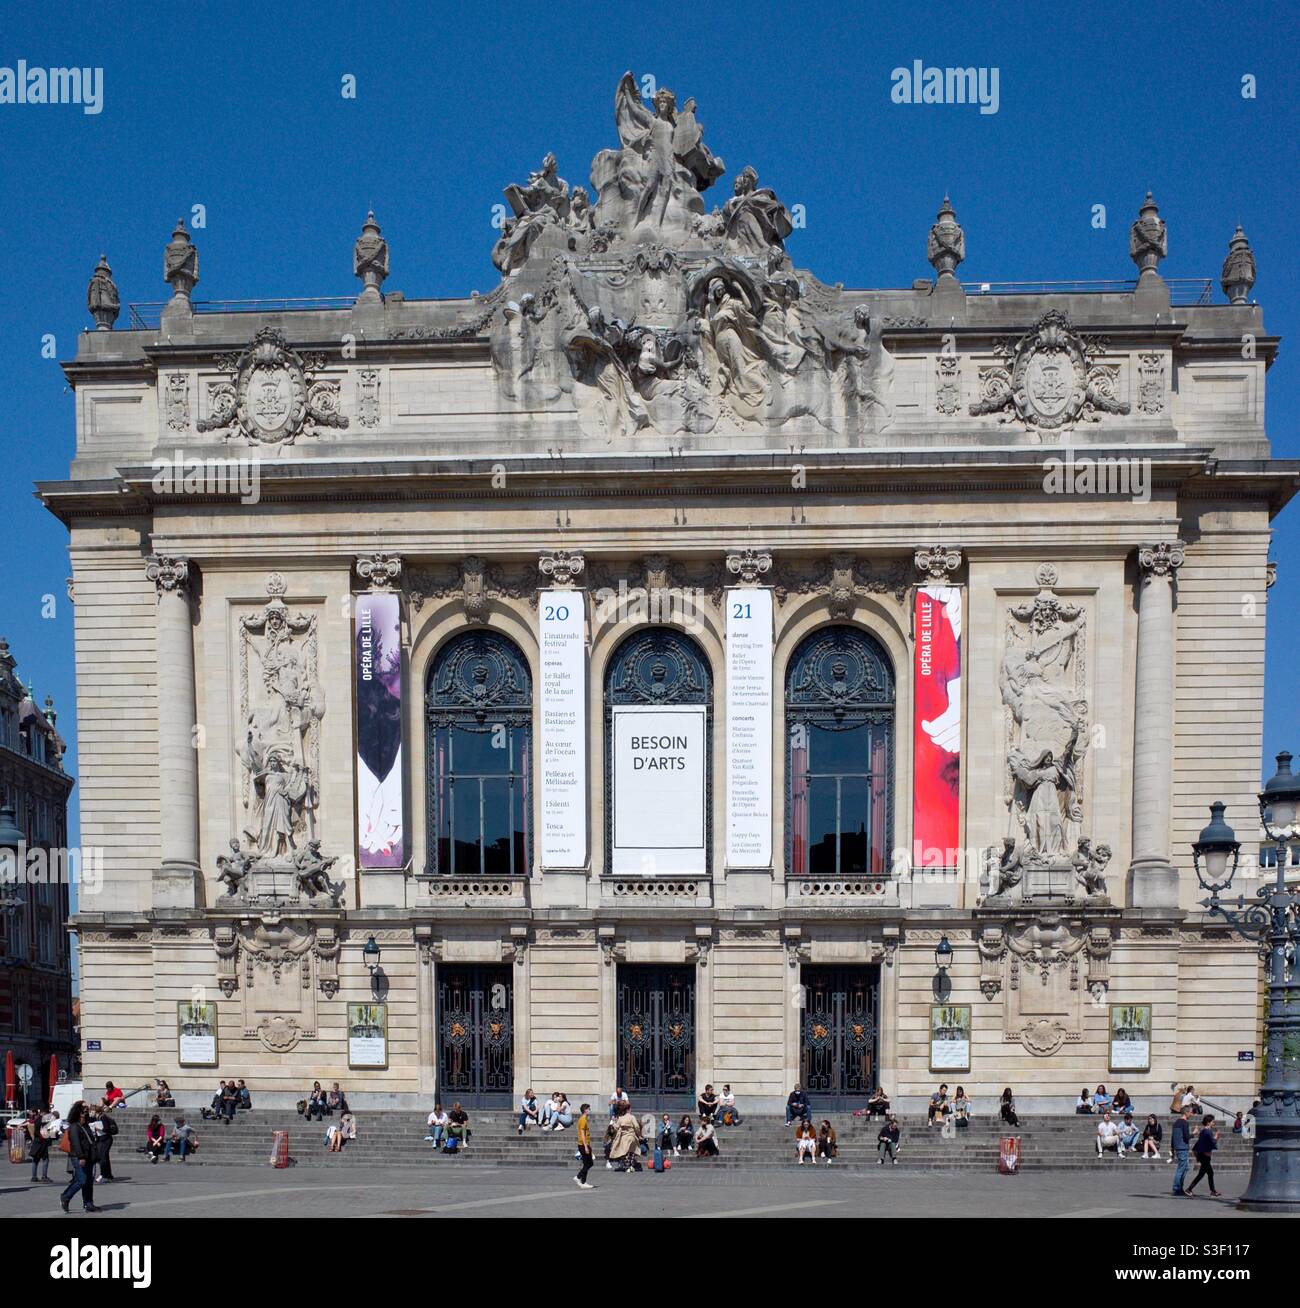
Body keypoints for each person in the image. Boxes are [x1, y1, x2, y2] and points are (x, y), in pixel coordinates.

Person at [59, 1101, 98, 1213]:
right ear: (80, 1112)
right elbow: (76, 1143)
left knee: (88, 1181)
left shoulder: (85, 1125)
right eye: (85, 1108)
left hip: (89, 1157)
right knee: (82, 1180)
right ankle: (65, 1197)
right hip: (78, 1157)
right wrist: (81, 1157)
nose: (87, 1109)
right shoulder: (74, 1127)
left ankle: (88, 1203)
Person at [1184, 1114, 1222, 1196]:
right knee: (1208, 1173)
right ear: (1208, 1123)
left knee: (1204, 1174)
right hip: (1205, 1156)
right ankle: (1190, 1189)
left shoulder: (1203, 1131)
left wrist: (1197, 1156)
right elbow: (1212, 1142)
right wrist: (1216, 1136)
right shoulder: (1207, 1132)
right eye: (1212, 1122)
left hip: (1203, 1156)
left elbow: (1199, 1144)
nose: (1213, 1123)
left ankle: (1211, 1191)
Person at [607, 1104, 642, 1172]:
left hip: (624, 1137)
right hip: (632, 1136)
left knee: (625, 1152)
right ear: (628, 1109)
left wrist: (613, 1123)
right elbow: (637, 1127)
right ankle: (630, 1166)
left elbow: (616, 1127)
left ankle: (627, 1166)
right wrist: (639, 1135)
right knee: (632, 1151)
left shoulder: (621, 1118)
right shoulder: (632, 1117)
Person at [1170, 1104, 1194, 1195]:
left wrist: (1172, 1148)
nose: (1191, 1114)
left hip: (1178, 1148)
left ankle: (1179, 1187)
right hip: (1182, 1148)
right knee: (1181, 1169)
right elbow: (1186, 1137)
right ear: (1186, 1112)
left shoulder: (1176, 1122)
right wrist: (1194, 1133)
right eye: (1191, 1112)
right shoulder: (1184, 1123)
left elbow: (1172, 1137)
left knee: (1185, 1168)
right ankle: (1176, 1188)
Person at [93, 1105, 118, 1180]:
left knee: (103, 1157)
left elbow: (106, 1129)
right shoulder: (97, 1117)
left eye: (92, 1111)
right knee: (105, 1157)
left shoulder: (102, 1117)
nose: (90, 1112)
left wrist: (97, 1128)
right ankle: (108, 1175)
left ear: (96, 1111)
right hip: (102, 1139)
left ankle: (103, 1175)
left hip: (106, 1140)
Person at [27, 1111, 53, 1182]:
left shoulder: (36, 1120)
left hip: (36, 1141)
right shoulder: (44, 1121)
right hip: (42, 1142)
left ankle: (34, 1177)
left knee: (35, 1160)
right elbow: (47, 1132)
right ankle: (44, 1176)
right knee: (45, 1159)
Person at [574, 1102, 595, 1189]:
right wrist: (586, 1146)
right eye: (589, 1109)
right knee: (588, 1163)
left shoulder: (583, 1119)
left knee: (588, 1163)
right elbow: (582, 1133)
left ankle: (582, 1181)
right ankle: (579, 1178)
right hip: (583, 1144)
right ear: (585, 1110)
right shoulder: (583, 1120)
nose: (590, 1110)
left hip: (584, 1144)